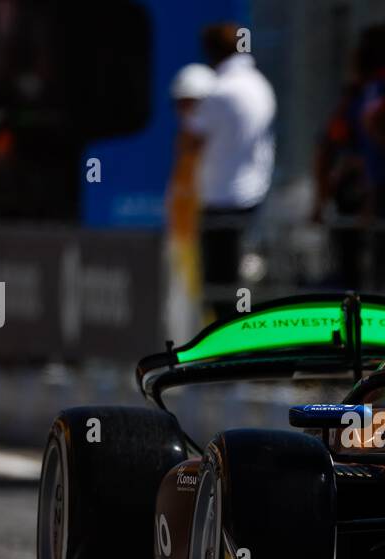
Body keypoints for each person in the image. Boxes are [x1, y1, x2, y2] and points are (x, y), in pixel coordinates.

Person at [182, 23, 276, 322]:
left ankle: (225, 344)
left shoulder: (220, 91)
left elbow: (189, 140)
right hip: (254, 197)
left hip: (220, 201)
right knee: (241, 286)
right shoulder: (260, 85)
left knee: (219, 290)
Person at [164, 63, 217, 342]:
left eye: (192, 103)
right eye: (181, 103)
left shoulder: (214, 147)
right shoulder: (185, 142)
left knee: (207, 308)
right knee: (179, 312)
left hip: (203, 235)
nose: (185, 110)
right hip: (182, 238)